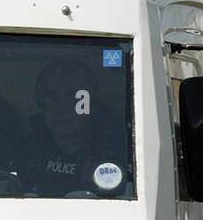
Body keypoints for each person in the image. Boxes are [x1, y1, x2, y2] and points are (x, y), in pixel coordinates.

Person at [20, 58, 130, 195]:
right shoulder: (25, 151)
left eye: (75, 96)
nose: (62, 108)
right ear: (41, 102)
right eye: (52, 96)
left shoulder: (117, 150)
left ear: (92, 103)